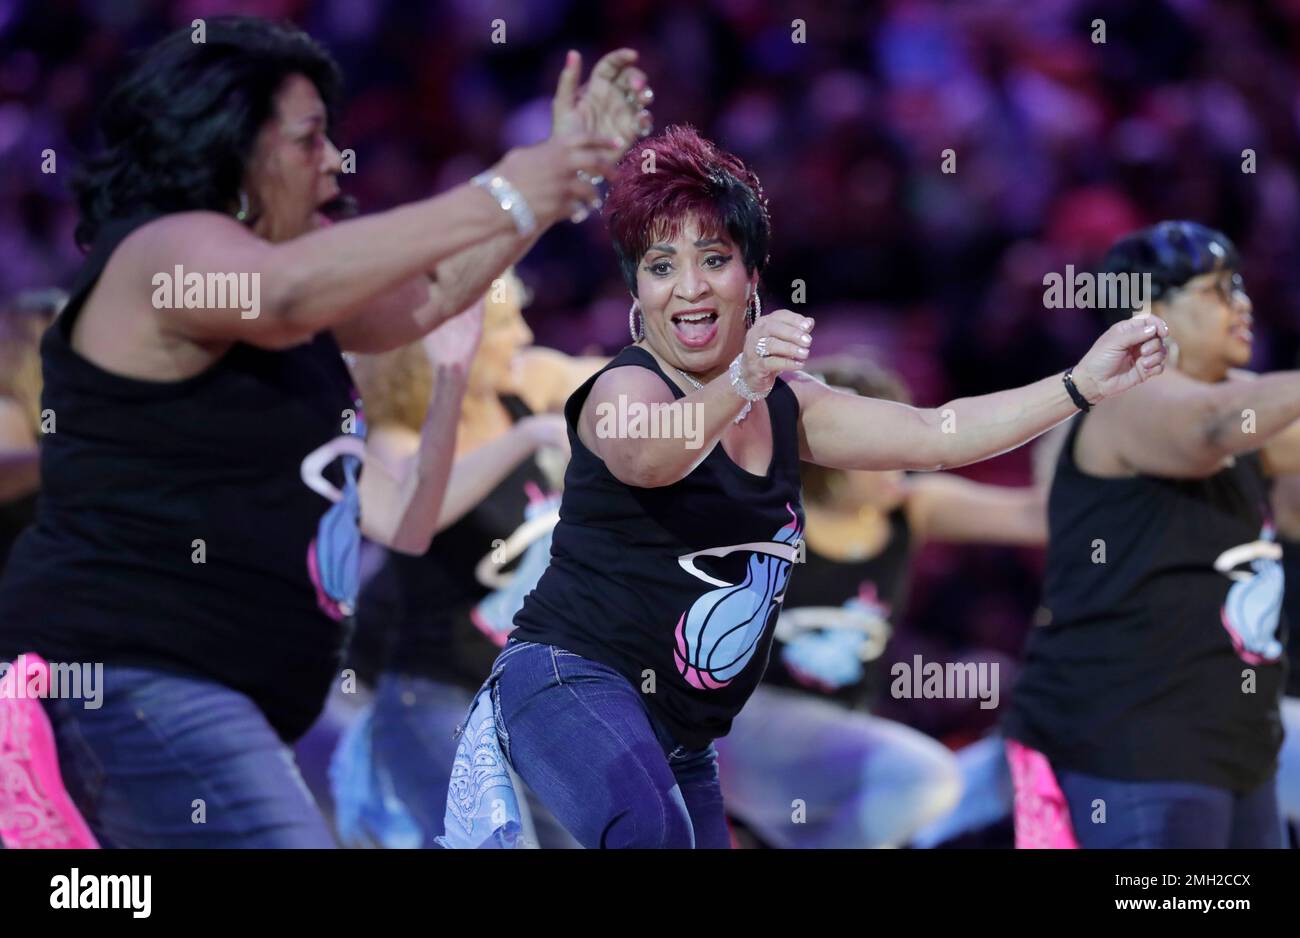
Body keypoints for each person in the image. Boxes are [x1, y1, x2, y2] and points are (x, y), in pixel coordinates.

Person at [0, 15, 651, 848]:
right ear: (229, 143)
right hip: (132, 672)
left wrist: (559, 179)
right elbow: (275, 298)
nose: (334, 160)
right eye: (309, 138)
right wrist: (512, 183)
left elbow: (423, 298)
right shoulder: (162, 255)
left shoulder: (282, 281)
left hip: (209, 690)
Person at [448, 123, 1169, 849]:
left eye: (713, 258)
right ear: (637, 287)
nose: (689, 286)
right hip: (568, 680)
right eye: (661, 266)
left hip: (685, 735)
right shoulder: (627, 385)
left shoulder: (792, 406)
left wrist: (1080, 385)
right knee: (651, 836)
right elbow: (648, 457)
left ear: (751, 276)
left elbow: (937, 433)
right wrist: (741, 379)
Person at [1005, 221, 1297, 849]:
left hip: (1236, 741)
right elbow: (1209, 430)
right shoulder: (1127, 395)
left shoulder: (1239, 400)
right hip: (1136, 740)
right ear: (1150, 310)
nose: (1243, 303)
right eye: (1220, 290)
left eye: (1242, 286)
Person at [714, 355, 1048, 848]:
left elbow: (1037, 516)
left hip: (838, 735)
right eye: (880, 438)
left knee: (1015, 766)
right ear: (823, 447)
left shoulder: (912, 509)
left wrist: (1087, 401)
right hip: (744, 725)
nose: (903, 454)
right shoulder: (761, 508)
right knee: (923, 777)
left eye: (904, 431)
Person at [329, 271, 600, 848]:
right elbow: (410, 518)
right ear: (444, 343)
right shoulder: (397, 438)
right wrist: (521, 441)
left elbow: (640, 382)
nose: (525, 334)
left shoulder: (530, 382)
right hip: (440, 704)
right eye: (505, 324)